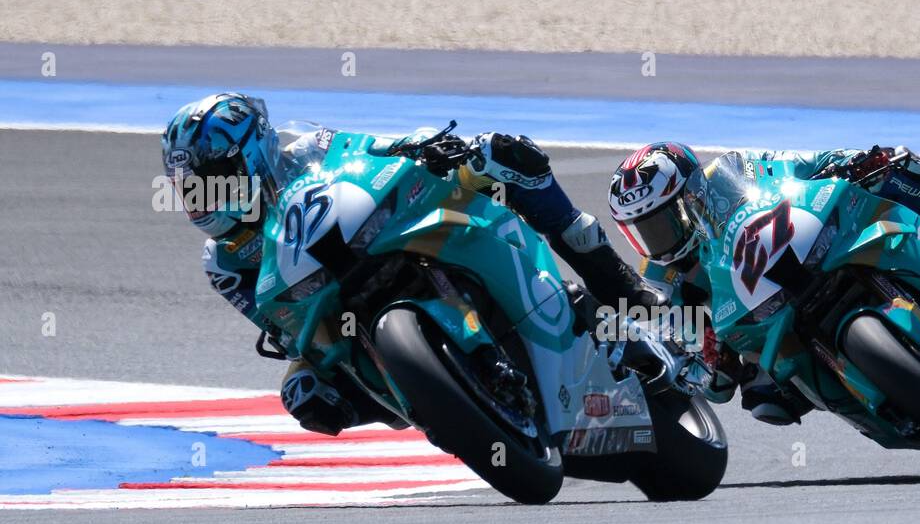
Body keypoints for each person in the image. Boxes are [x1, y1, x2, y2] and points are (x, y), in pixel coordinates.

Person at [160, 92, 660, 434]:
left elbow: (373, 149)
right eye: (191, 188)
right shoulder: (223, 263)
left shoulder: (310, 150)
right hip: (335, 321)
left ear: (251, 156)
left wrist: (423, 147)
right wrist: (307, 361)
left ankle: (617, 285)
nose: (203, 198)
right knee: (302, 391)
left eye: (214, 178)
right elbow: (282, 331)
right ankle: (439, 404)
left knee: (503, 154)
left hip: (386, 234)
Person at [606, 142, 920, 425]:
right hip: (763, 330)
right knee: (765, 402)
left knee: (899, 171)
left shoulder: (736, 171)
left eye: (663, 222)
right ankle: (889, 401)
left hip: (804, 247)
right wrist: (706, 359)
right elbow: (713, 383)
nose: (657, 240)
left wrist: (850, 162)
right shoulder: (662, 279)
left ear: (690, 195)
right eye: (642, 231)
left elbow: (805, 164)